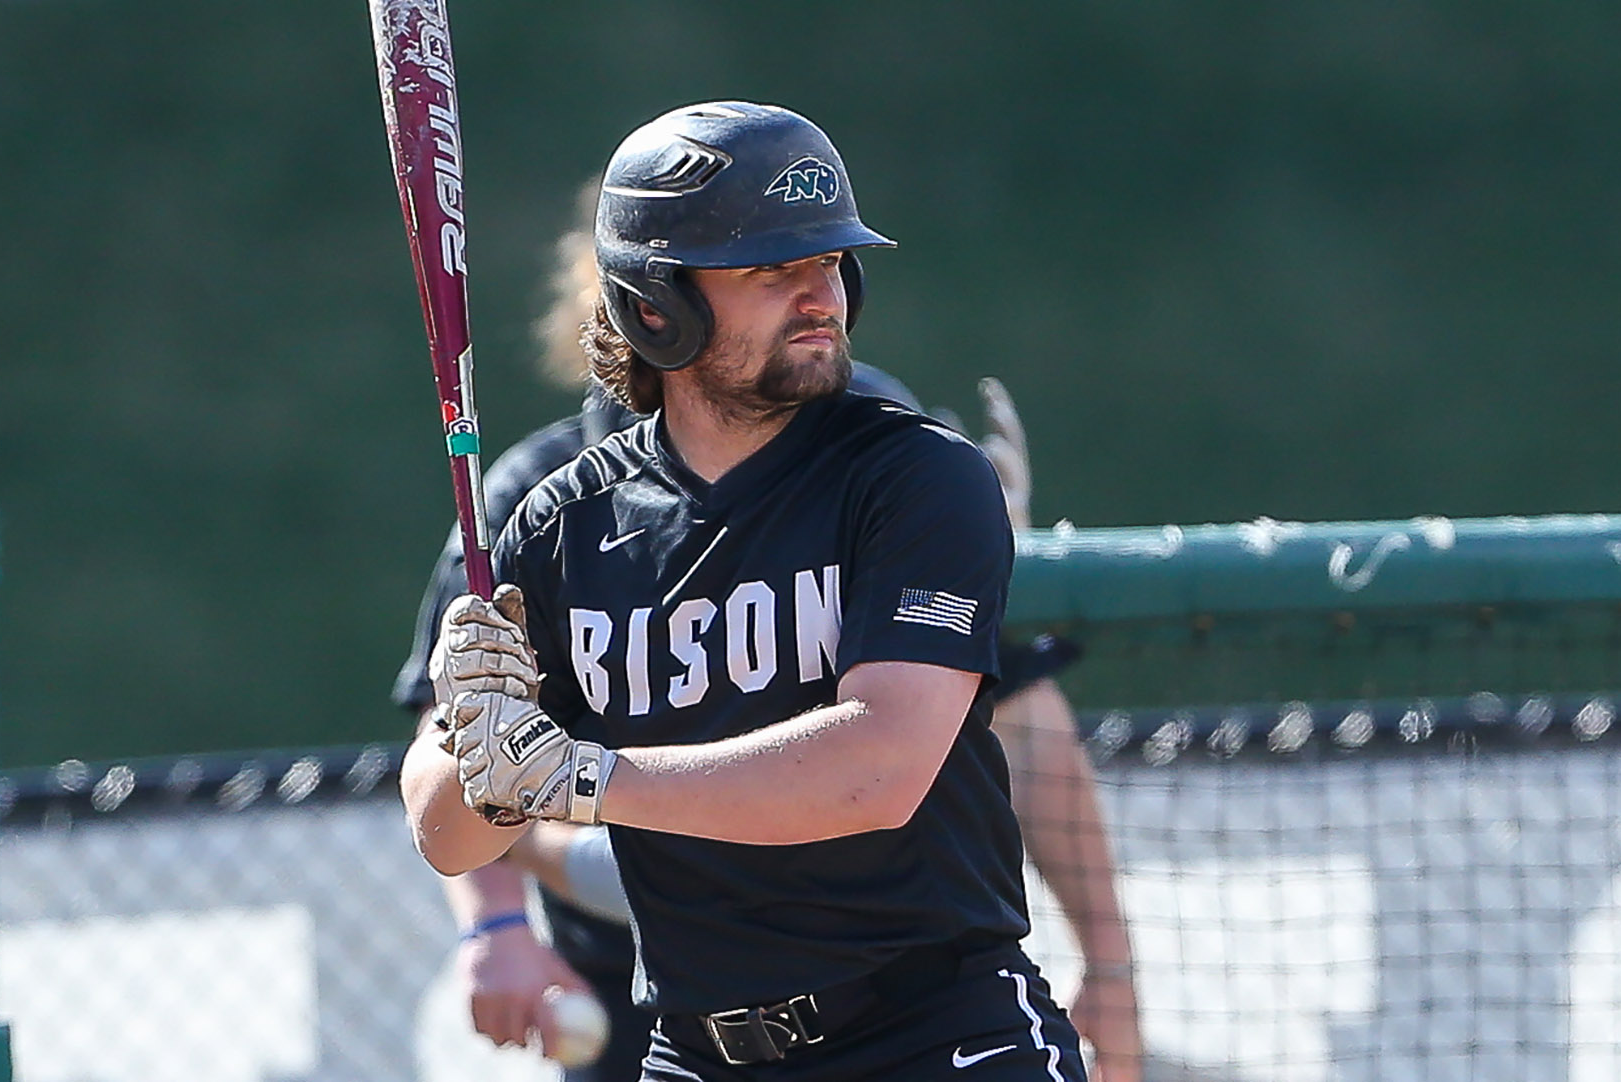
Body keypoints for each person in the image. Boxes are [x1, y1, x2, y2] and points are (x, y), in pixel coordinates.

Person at [400, 100, 1100, 1081]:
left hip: (939, 1033)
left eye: (831, 262)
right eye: (774, 269)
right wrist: (478, 743)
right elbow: (445, 833)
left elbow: (880, 767)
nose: (821, 294)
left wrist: (580, 776)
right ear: (657, 304)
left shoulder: (915, 475)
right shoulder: (561, 523)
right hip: (695, 1048)